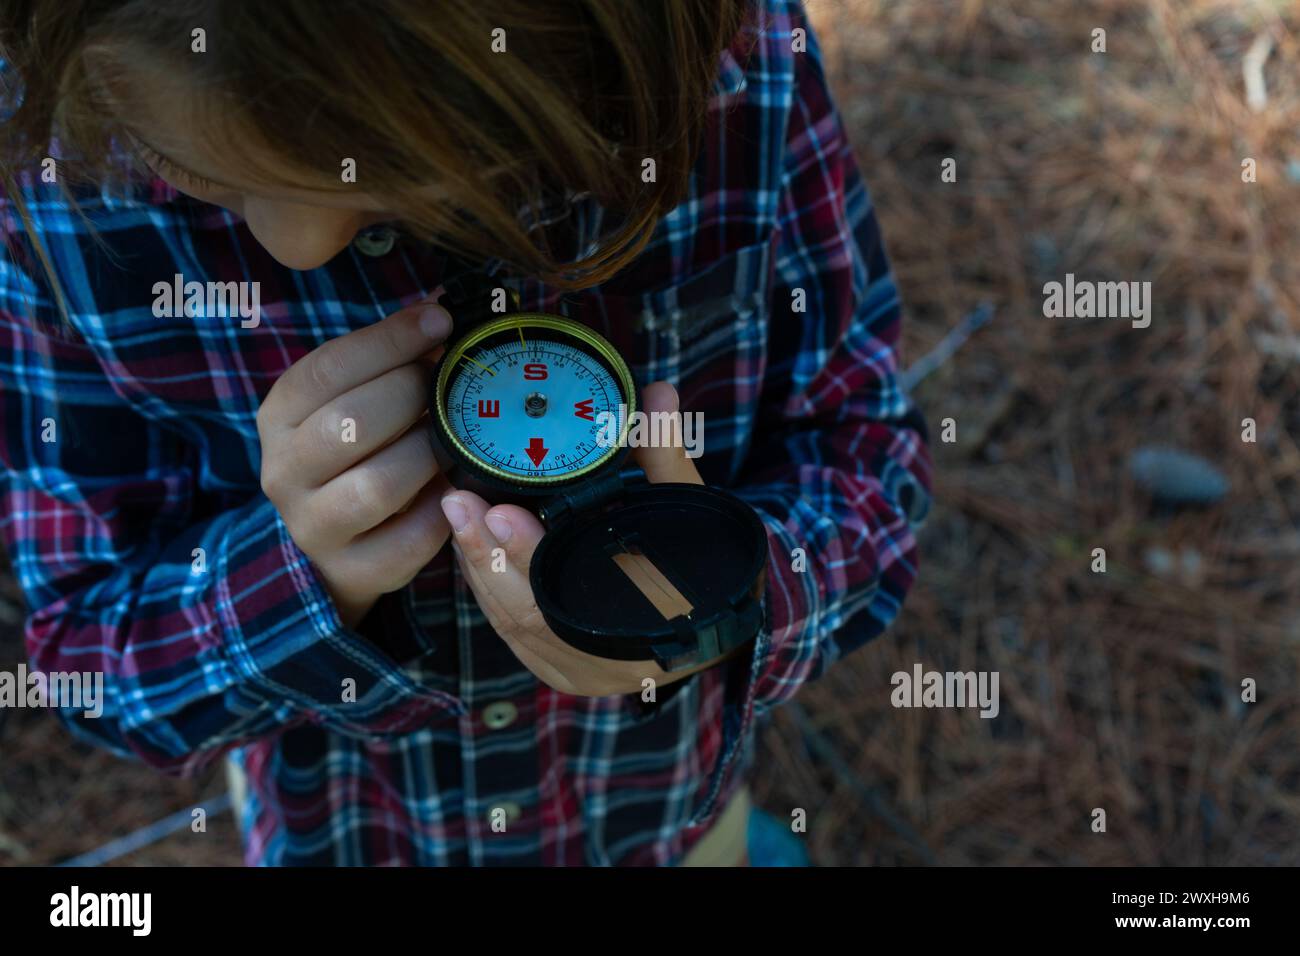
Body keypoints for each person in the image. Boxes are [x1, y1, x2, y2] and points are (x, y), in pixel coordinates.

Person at [0, 0, 931, 866]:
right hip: (355, 834)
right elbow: (85, 650)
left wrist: (728, 613)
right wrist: (295, 576)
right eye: (194, 170)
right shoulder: (57, 187)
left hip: (663, 824)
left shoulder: (738, 72)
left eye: (417, 182)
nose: (298, 241)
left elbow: (868, 457)